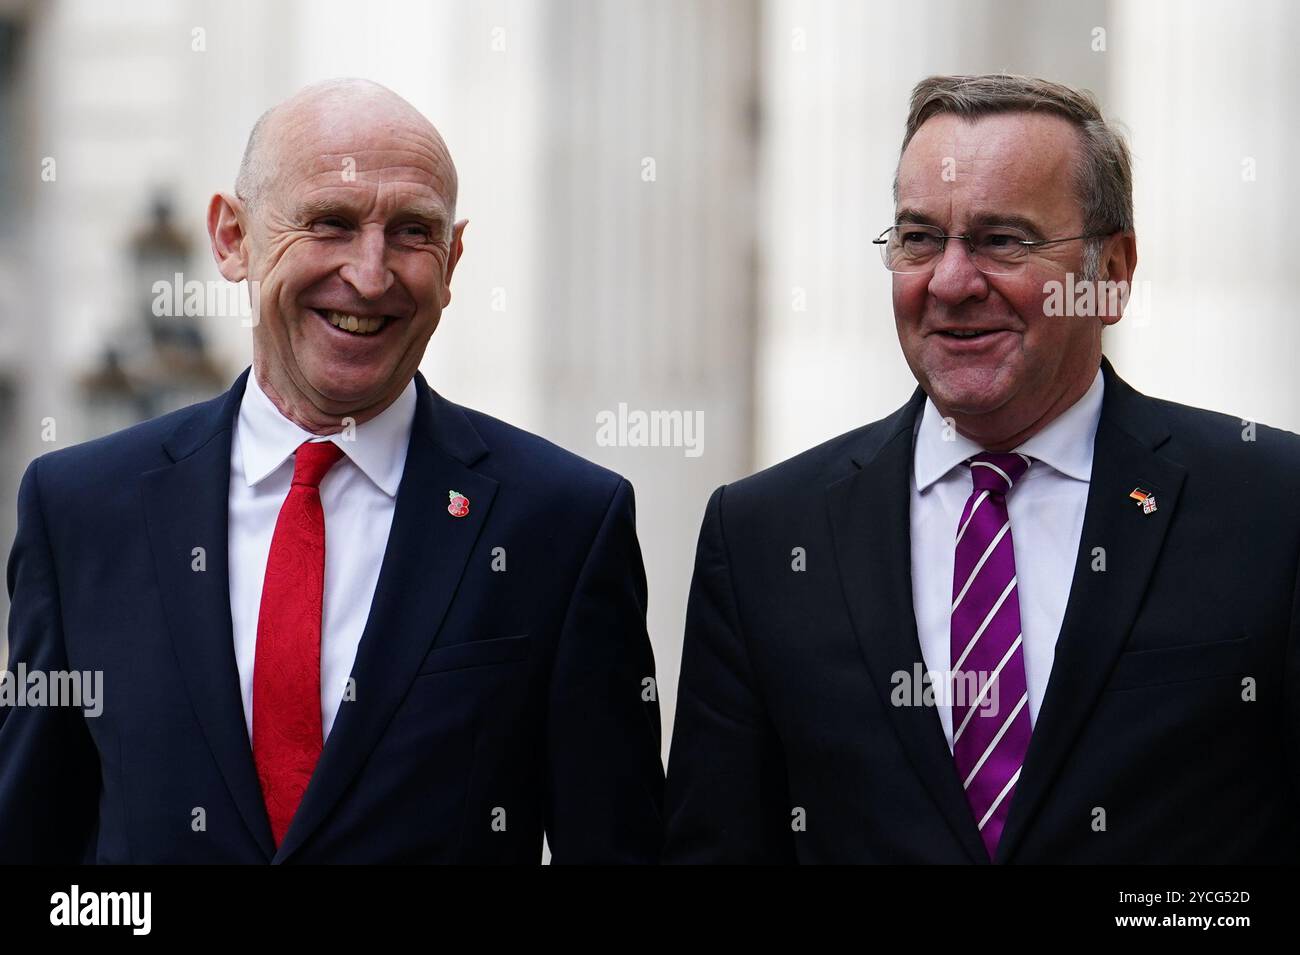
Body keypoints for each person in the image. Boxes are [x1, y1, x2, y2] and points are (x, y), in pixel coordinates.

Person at [0, 79, 663, 864]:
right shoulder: (79, 510)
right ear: (231, 237)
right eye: (331, 223)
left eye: (413, 232)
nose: (371, 274)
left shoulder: (563, 524)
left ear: (451, 262)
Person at [664, 73, 1300, 863]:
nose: (952, 282)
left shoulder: (1271, 506)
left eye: (1004, 240)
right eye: (919, 238)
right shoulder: (764, 537)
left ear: (1112, 271)